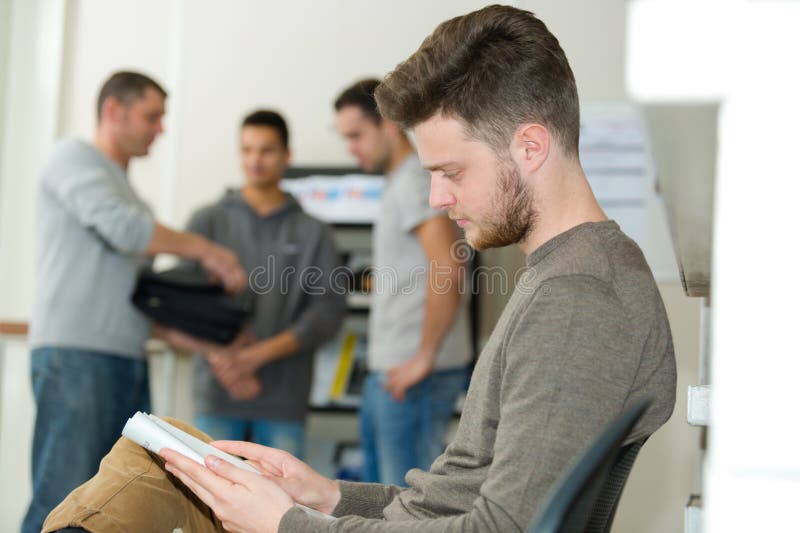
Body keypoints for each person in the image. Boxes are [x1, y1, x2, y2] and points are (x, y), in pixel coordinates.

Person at [42, 6, 676, 532]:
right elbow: (456, 502)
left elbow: (498, 530)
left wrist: (287, 525)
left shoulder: (579, 298)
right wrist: (324, 498)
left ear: (530, 147)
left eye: (450, 172)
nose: (436, 199)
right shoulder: (563, 279)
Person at [23, 70, 247, 533]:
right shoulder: (73, 159)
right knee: (63, 495)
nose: (160, 128)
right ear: (113, 111)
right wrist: (207, 250)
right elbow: (123, 228)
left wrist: (211, 347)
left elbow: (142, 304)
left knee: (120, 498)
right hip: (76, 357)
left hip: (123, 359)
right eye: (152, 116)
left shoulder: (127, 192)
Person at [159, 109, 346, 457]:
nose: (255, 160)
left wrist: (255, 357)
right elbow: (180, 304)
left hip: (283, 399)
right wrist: (225, 359)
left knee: (282, 503)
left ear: (287, 155)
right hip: (216, 394)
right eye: (246, 150)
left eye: (266, 150)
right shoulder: (207, 221)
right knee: (207, 501)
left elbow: (327, 312)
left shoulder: (313, 232)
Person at [334, 78, 473, 485]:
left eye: (357, 135)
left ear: (390, 125)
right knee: (381, 503)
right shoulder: (399, 182)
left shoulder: (415, 179)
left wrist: (424, 357)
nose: (351, 148)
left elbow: (448, 264)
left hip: (414, 375)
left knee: (407, 507)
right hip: (396, 372)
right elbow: (416, 270)